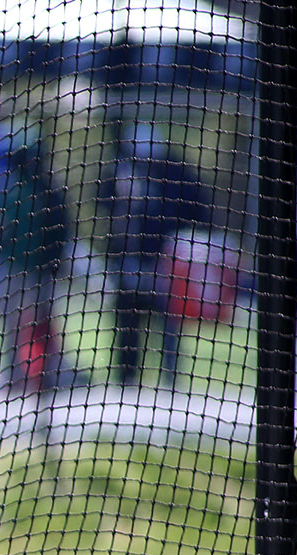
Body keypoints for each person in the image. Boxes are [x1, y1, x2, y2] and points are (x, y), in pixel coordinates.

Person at [96, 122, 213, 386]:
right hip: (129, 261)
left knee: (168, 320)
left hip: (165, 261)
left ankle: (171, 378)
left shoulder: (174, 174)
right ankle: (126, 377)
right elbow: (103, 204)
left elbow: (198, 210)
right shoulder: (122, 170)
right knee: (127, 319)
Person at [0, 117, 72, 394]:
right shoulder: (49, 192)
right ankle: (44, 376)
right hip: (37, 272)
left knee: (20, 329)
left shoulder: (13, 194)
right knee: (39, 326)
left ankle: (25, 377)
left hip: (17, 272)